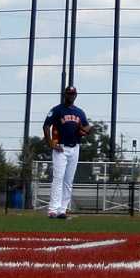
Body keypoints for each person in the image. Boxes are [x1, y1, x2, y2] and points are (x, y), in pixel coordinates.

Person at [42, 87, 88, 219]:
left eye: (73, 93)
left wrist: (88, 130)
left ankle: (62, 209)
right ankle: (53, 209)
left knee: (68, 180)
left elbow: (86, 127)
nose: (71, 95)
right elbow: (46, 125)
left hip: (75, 147)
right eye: (69, 93)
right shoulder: (57, 110)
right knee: (58, 178)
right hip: (60, 148)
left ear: (76, 95)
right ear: (65, 94)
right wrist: (50, 142)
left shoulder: (79, 112)